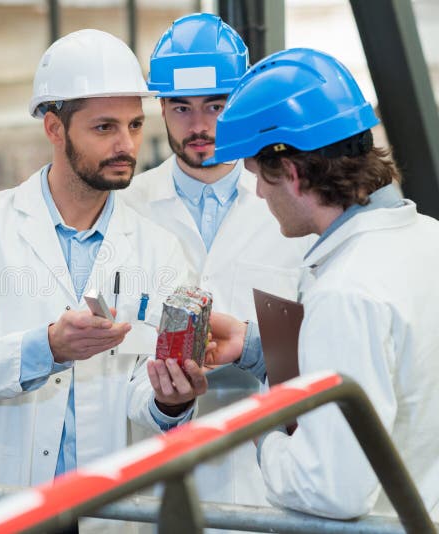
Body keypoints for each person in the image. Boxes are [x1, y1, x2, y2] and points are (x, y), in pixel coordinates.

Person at [0, 29, 207, 531]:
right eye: (104, 128)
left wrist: (171, 399)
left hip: (106, 510)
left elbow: (141, 391)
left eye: (135, 125)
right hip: (4, 502)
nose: (126, 145)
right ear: (54, 128)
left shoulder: (158, 249)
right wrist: (48, 347)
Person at [205, 47, 439, 520]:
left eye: (259, 177)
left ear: (292, 173)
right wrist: (258, 348)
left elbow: (332, 489)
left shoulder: (345, 292)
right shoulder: (428, 238)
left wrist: (263, 429)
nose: (258, 193)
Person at [121, 13, 310, 517]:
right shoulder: (127, 209)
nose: (199, 125)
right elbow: (117, 364)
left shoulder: (292, 206)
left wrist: (257, 348)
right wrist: (165, 403)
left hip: (268, 471)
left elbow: (321, 341)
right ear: (161, 108)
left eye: (216, 106)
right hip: (163, 473)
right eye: (181, 107)